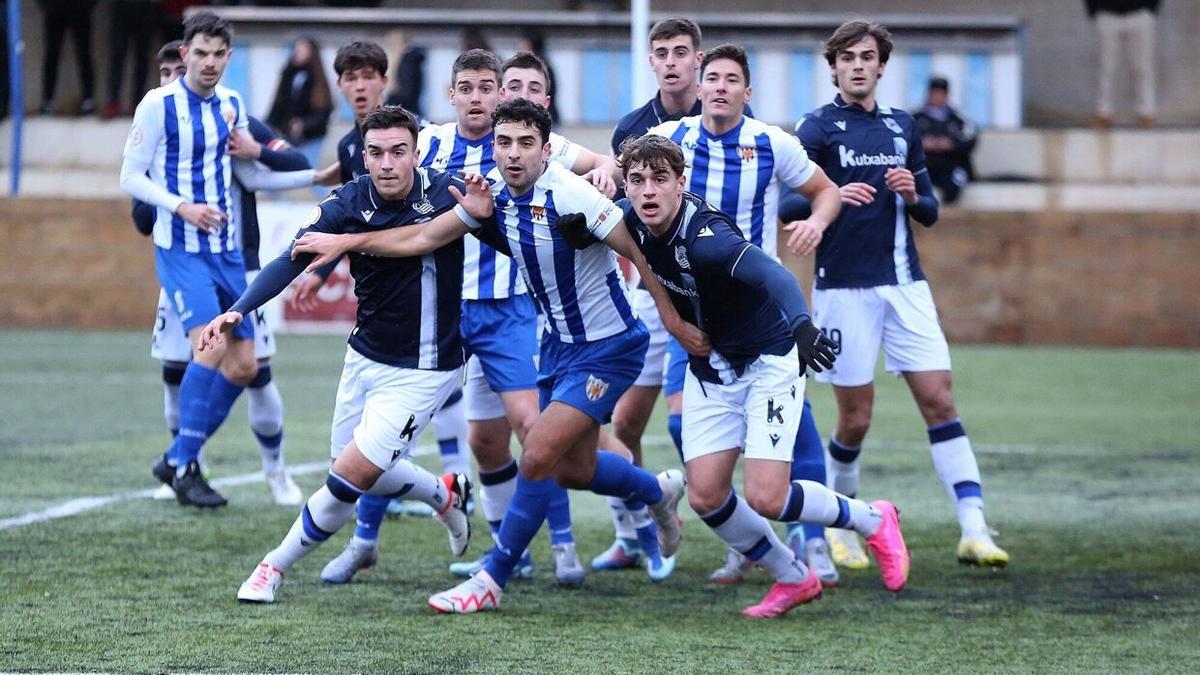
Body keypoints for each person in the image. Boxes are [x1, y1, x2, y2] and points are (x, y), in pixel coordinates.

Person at [289, 99, 696, 614]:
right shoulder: (495, 196)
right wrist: (345, 242)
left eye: (526, 143)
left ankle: (492, 579)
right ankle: (655, 493)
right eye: (504, 143)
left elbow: (639, 251)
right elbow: (420, 236)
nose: (513, 153)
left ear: (547, 150)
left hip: (610, 347)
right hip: (556, 347)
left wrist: (677, 322)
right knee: (574, 468)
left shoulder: (572, 196)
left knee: (539, 454)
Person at [321, 49, 594, 589]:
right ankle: (363, 544)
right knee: (390, 437)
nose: (476, 98)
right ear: (451, 95)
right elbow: (382, 171)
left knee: (531, 429)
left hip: (507, 310)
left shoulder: (519, 142)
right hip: (434, 311)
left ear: (502, 94)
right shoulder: (431, 143)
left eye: (486, 88)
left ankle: (560, 546)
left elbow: (591, 162)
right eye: (465, 87)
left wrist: (608, 171)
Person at [615, 133, 909, 617]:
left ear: (680, 183)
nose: (648, 190)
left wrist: (801, 327)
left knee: (767, 496)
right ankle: (794, 578)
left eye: (660, 179)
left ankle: (874, 519)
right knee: (707, 495)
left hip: (769, 359)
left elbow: (774, 275)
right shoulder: (629, 216)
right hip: (711, 367)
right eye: (638, 180)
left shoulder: (708, 238)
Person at [201, 106, 477, 604]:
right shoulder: (349, 199)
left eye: (398, 152)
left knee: (347, 480)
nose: (387, 163)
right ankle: (445, 493)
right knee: (356, 470)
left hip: (427, 367)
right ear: (364, 157)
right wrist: (237, 311)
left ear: (416, 153)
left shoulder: (448, 193)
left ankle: (272, 568)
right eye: (375, 153)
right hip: (364, 358)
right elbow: (293, 256)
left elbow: (510, 235)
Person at [795, 19, 1009, 569]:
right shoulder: (816, 129)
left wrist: (915, 194)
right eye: (847, 57)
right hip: (843, 291)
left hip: (906, 285)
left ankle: (974, 528)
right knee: (855, 419)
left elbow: (931, 212)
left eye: (867, 56)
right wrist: (831, 194)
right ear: (834, 67)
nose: (858, 65)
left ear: (882, 65)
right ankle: (842, 526)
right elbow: (788, 206)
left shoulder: (901, 126)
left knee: (939, 400)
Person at [642, 43, 845, 584]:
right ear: (700, 86)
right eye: (714, 78)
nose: (722, 88)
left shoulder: (771, 142)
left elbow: (825, 192)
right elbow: (630, 213)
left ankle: (816, 545)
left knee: (793, 437)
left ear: (747, 93)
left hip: (758, 314)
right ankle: (751, 544)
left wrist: (817, 223)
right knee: (687, 429)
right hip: (693, 319)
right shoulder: (674, 141)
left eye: (733, 80)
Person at [133, 39, 317, 506]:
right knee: (178, 372)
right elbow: (139, 211)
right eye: (167, 69)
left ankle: (272, 473)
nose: (178, 75)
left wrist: (262, 150)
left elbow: (286, 160)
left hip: (239, 259)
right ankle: (185, 464)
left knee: (253, 371)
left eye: (188, 64)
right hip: (183, 260)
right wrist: (160, 200)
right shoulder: (158, 122)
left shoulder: (230, 115)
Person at [310, 40, 474, 503]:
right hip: (380, 322)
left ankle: (458, 474)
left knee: (474, 406)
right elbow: (348, 221)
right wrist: (319, 272)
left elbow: (418, 233)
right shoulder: (347, 147)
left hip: (451, 292)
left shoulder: (427, 144)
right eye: (351, 78)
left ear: (386, 80)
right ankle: (439, 495)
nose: (360, 87)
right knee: (354, 462)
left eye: (369, 77)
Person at [119, 12, 258, 507]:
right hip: (180, 248)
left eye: (219, 54)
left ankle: (178, 452)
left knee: (244, 366)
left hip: (227, 252)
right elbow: (130, 177)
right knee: (212, 347)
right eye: (201, 53)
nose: (210, 63)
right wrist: (182, 207)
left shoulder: (233, 105)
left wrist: (308, 171)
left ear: (228, 58)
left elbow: (251, 172)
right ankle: (184, 467)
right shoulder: (158, 105)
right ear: (185, 55)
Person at [1086, 0, 1160, 129]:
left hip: (1139, 13)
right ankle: (1103, 113)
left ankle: (1146, 112)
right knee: (1106, 67)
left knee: (1142, 66)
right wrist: (1094, 10)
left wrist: (1150, 10)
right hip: (1107, 14)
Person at [267, 36, 333, 170]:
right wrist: (270, 125)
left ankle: (329, 192)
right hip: (287, 133)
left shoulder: (318, 80)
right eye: (296, 49)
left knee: (311, 171)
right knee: (279, 168)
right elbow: (278, 105)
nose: (297, 52)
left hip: (313, 135)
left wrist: (304, 124)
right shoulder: (288, 75)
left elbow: (324, 112)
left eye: (302, 49)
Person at [912, 77, 976, 205]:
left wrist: (950, 144)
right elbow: (904, 140)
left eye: (941, 93)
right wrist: (922, 143)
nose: (937, 96)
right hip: (925, 165)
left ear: (947, 95)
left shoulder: (958, 118)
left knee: (955, 182)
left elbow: (970, 139)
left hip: (951, 165)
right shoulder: (916, 117)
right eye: (934, 93)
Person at [102, 0, 162, 119]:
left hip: (146, 9)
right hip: (121, 9)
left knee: (142, 57)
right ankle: (113, 102)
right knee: (117, 55)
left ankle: (137, 102)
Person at [37, 0, 97, 115]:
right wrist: (47, 5)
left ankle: (89, 99)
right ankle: (47, 100)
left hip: (80, 9)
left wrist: (87, 5)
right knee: (52, 55)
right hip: (55, 10)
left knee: (84, 54)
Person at [384, 29, 425, 117]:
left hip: (407, 112)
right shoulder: (410, 60)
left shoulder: (408, 61)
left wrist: (391, 101)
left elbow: (407, 90)